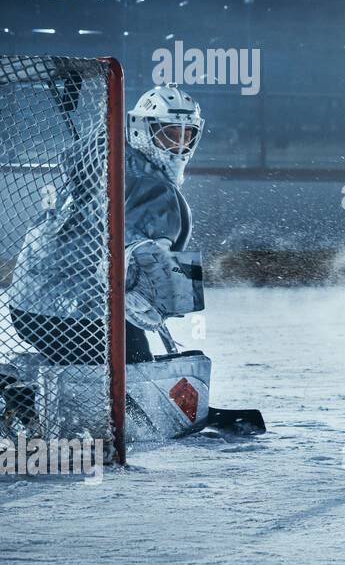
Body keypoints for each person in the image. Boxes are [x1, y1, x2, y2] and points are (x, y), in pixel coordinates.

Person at [2, 83, 205, 430]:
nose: (179, 146)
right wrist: (162, 301)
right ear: (142, 130)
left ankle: (21, 387)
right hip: (76, 311)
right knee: (128, 388)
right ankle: (23, 396)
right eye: (169, 135)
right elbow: (140, 264)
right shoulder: (151, 186)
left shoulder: (106, 149)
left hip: (29, 303)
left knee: (116, 364)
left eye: (187, 136)